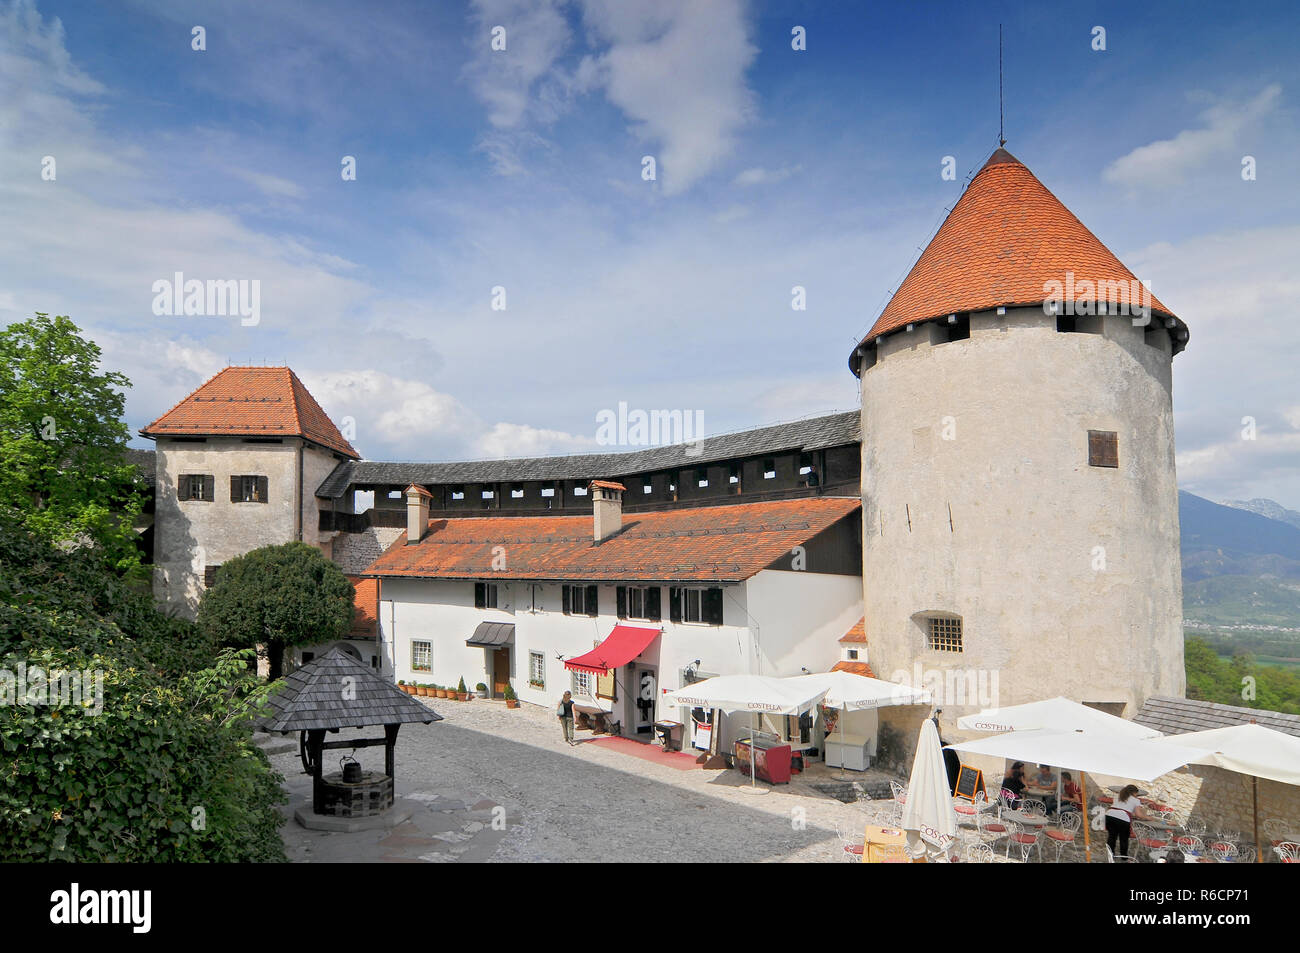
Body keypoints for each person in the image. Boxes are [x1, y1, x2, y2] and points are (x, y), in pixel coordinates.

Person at [1105, 784, 1148, 861]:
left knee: (1112, 837)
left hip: (1109, 816)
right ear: (1134, 792)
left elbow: (1123, 807)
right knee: (1124, 839)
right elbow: (1139, 815)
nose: (1137, 795)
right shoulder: (1136, 800)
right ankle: (1124, 858)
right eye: (1136, 794)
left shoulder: (1118, 796)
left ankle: (1110, 856)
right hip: (1123, 818)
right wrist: (1148, 817)